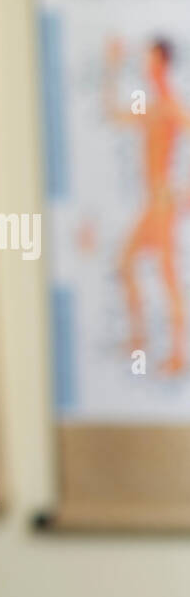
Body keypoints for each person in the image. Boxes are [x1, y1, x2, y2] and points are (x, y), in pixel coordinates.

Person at [106, 36, 189, 374]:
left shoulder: (169, 105)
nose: (146, 65)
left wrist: (183, 191)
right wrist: (111, 68)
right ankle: (140, 340)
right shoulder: (152, 106)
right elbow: (113, 114)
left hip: (161, 204)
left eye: (150, 60)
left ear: (162, 64)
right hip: (151, 205)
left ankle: (177, 355)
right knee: (127, 265)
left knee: (167, 279)